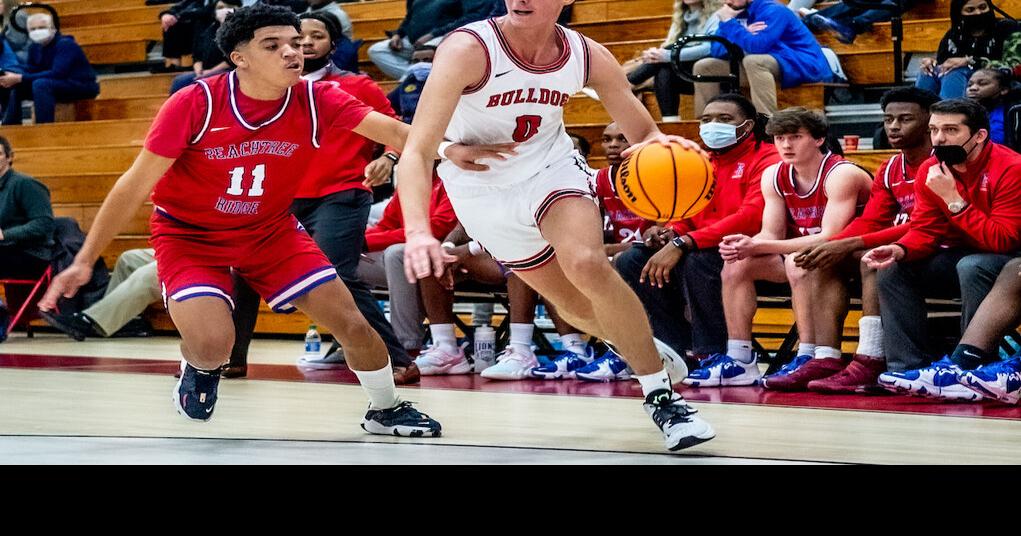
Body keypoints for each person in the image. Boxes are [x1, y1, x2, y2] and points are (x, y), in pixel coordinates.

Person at [37, 3, 472, 437]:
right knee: (214, 345)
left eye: (295, 43)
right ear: (239, 57)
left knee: (353, 323)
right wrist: (84, 260)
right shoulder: (195, 102)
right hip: (191, 235)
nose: (292, 53)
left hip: (270, 231)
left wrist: (452, 150)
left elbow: (400, 134)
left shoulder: (319, 97)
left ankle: (386, 408)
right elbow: (131, 187)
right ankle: (200, 366)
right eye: (273, 45)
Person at [396, 0, 716, 452]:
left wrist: (664, 146)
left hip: (551, 169)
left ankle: (662, 397)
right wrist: (416, 232)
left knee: (588, 264)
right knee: (579, 309)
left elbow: (644, 133)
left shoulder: (586, 54)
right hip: (482, 191)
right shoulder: (469, 48)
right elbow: (415, 149)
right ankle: (637, 343)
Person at [685, 107, 872, 390]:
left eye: (795, 137)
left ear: (819, 139)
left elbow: (830, 237)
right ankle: (740, 360)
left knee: (799, 260)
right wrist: (746, 246)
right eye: (780, 138)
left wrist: (757, 244)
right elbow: (771, 232)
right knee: (737, 263)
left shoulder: (841, 173)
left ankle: (807, 354)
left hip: (853, 256)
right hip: (805, 255)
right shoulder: (774, 175)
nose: (785, 145)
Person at [863, 98, 1021, 400]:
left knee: (972, 265)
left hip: (1006, 258)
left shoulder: (1011, 168)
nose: (939, 138)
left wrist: (955, 201)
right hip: (962, 253)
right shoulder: (930, 170)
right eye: (934, 129)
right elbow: (925, 230)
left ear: (979, 136)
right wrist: (900, 249)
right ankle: (907, 369)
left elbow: (1004, 239)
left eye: (950, 129)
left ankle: (971, 367)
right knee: (893, 267)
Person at [614, 93, 779, 377]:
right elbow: (688, 209)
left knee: (698, 261)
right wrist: (671, 232)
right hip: (700, 244)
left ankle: (712, 352)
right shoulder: (700, 160)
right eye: (706, 119)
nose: (713, 125)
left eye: (724, 119)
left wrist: (685, 241)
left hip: (748, 248)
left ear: (748, 126)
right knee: (632, 260)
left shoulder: (768, 158)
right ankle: (673, 350)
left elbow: (751, 216)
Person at [792, 87, 939, 393]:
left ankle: (870, 358)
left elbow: (922, 225)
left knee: (870, 258)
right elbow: (871, 220)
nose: (894, 126)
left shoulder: (941, 163)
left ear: (929, 121)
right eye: (888, 119)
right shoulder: (889, 167)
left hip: (939, 247)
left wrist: (846, 244)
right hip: (904, 247)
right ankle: (826, 357)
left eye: (905, 119)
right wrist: (829, 246)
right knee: (823, 260)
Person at [692, 0, 832, 116]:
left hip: (801, 64)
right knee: (704, 66)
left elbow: (758, 46)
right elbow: (717, 50)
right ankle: (707, 122)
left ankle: (767, 123)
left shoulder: (773, 10)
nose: (727, 2)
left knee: (753, 61)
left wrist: (732, 26)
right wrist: (742, 31)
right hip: (767, 67)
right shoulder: (735, 13)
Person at [625, 0, 722, 121]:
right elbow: (667, 48)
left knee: (670, 52)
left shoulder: (717, 15)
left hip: (705, 73)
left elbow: (709, 48)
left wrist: (668, 55)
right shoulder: (681, 18)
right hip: (680, 74)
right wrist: (659, 54)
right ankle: (671, 122)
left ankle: (626, 84)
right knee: (664, 69)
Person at [0, 13, 99, 125]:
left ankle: (44, 126)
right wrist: (11, 72)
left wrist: (21, 77)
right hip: (53, 83)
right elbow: (33, 68)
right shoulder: (35, 47)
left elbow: (58, 73)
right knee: (12, 83)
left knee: (41, 84)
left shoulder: (66, 45)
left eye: (41, 28)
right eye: (33, 29)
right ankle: (10, 125)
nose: (37, 31)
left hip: (79, 85)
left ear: (53, 28)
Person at [40, 249, 159, 340]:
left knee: (147, 274)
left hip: (177, 261)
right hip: (173, 251)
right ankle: (125, 324)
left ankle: (91, 321)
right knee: (128, 258)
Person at [914, 0, 1020, 99]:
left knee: (955, 73)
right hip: (962, 81)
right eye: (970, 10)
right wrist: (932, 64)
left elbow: (1015, 65)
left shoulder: (1008, 28)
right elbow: (944, 64)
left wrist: (971, 61)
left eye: (983, 7)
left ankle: (952, 115)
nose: (978, 13)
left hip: (999, 82)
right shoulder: (955, 34)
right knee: (927, 73)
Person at [0, 134, 53, 281]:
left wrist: (5, 234)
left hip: (30, 253)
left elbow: (44, 223)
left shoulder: (25, 184)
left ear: (9, 157)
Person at [367, 0, 461, 80]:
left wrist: (432, 35)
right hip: (414, 41)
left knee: (427, 48)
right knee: (376, 50)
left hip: (444, 37)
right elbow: (409, 18)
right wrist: (398, 35)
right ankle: (414, 77)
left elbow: (471, 16)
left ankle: (427, 78)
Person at [169, 0, 239, 94]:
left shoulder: (237, 30)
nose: (223, 10)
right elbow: (197, 55)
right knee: (180, 81)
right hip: (204, 71)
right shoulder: (208, 28)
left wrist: (210, 72)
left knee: (200, 82)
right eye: (219, 8)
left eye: (227, 7)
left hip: (227, 70)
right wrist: (199, 70)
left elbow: (231, 60)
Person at [966, 67, 1015, 144]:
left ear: (1003, 90)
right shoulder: (963, 113)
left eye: (982, 83)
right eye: (969, 85)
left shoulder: (1014, 112)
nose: (972, 88)